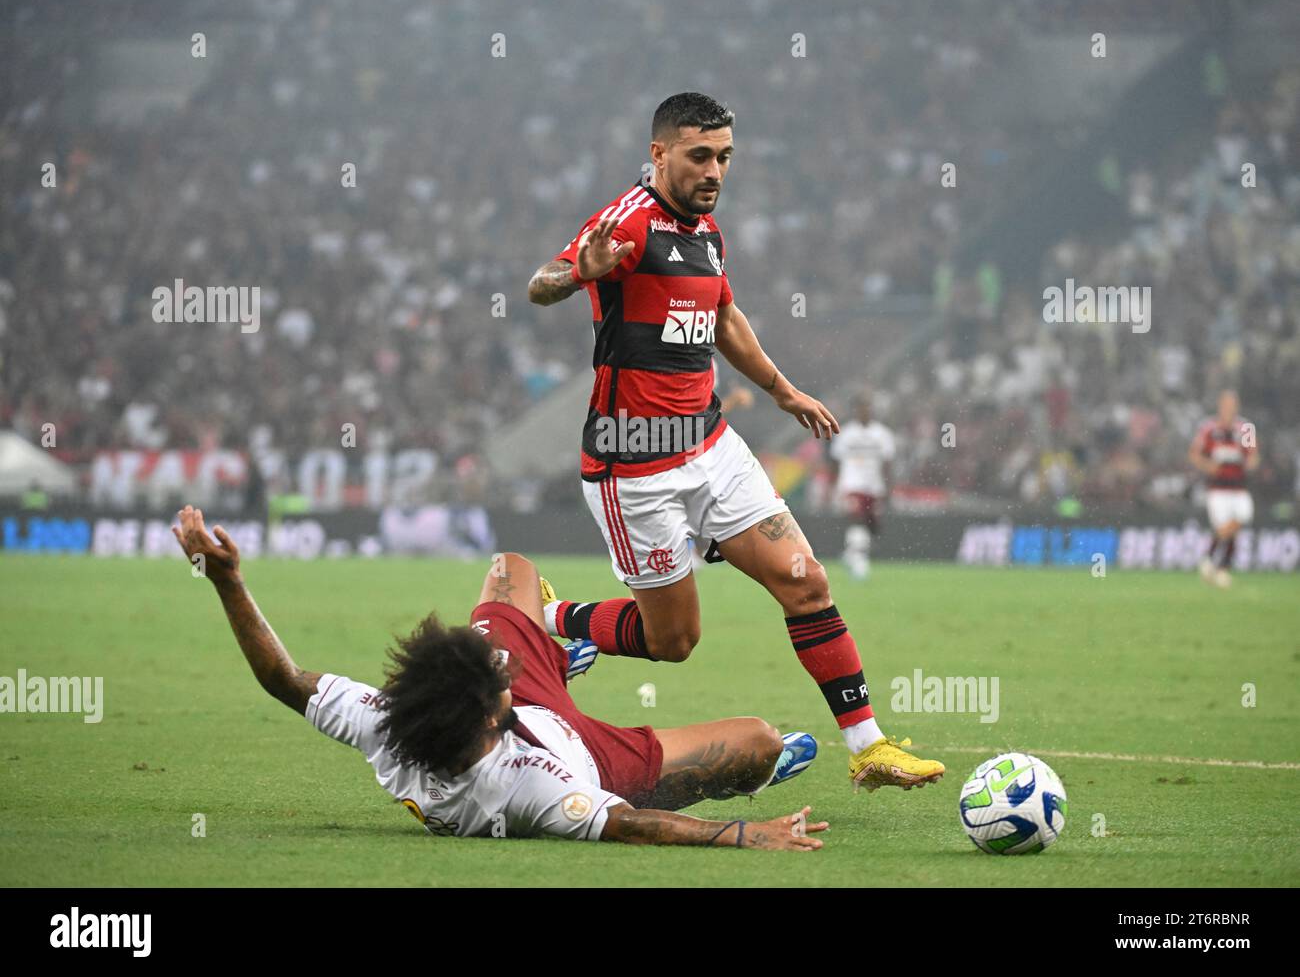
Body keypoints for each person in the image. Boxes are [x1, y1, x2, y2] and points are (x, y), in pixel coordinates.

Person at [527, 92, 943, 791]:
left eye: (724, 157)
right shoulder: (625, 222)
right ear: (659, 153)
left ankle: (869, 747)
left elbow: (722, 316)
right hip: (634, 461)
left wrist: (783, 391)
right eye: (699, 156)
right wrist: (580, 273)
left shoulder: (706, 234)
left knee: (805, 581)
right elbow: (541, 284)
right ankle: (550, 620)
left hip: (712, 444)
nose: (715, 170)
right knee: (674, 641)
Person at [171, 505, 826, 849]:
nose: (498, 672)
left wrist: (226, 580)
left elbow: (284, 679)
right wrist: (747, 835)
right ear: (490, 714)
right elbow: (631, 825)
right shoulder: (529, 787)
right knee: (758, 742)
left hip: (530, 710)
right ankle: (750, 775)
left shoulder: (389, 721)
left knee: (509, 566)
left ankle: (555, 654)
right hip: (590, 758)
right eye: (496, 678)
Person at [1189, 390, 1258, 588]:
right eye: (1226, 404)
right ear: (1220, 406)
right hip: (1217, 488)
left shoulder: (1245, 428)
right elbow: (1194, 454)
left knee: (1241, 518)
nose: (1229, 408)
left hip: (1239, 487)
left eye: (1232, 404)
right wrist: (1207, 465)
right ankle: (1222, 569)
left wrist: (1250, 463)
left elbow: (1252, 455)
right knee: (1225, 528)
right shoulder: (1208, 428)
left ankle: (1208, 559)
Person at [828, 394, 895, 580]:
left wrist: (888, 489)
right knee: (856, 518)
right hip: (851, 484)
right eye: (861, 408)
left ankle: (851, 554)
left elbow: (888, 464)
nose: (865, 411)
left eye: (868, 408)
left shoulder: (882, 434)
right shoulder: (846, 433)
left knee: (871, 525)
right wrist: (833, 488)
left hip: (874, 486)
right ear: (856, 411)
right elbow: (836, 462)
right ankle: (859, 562)